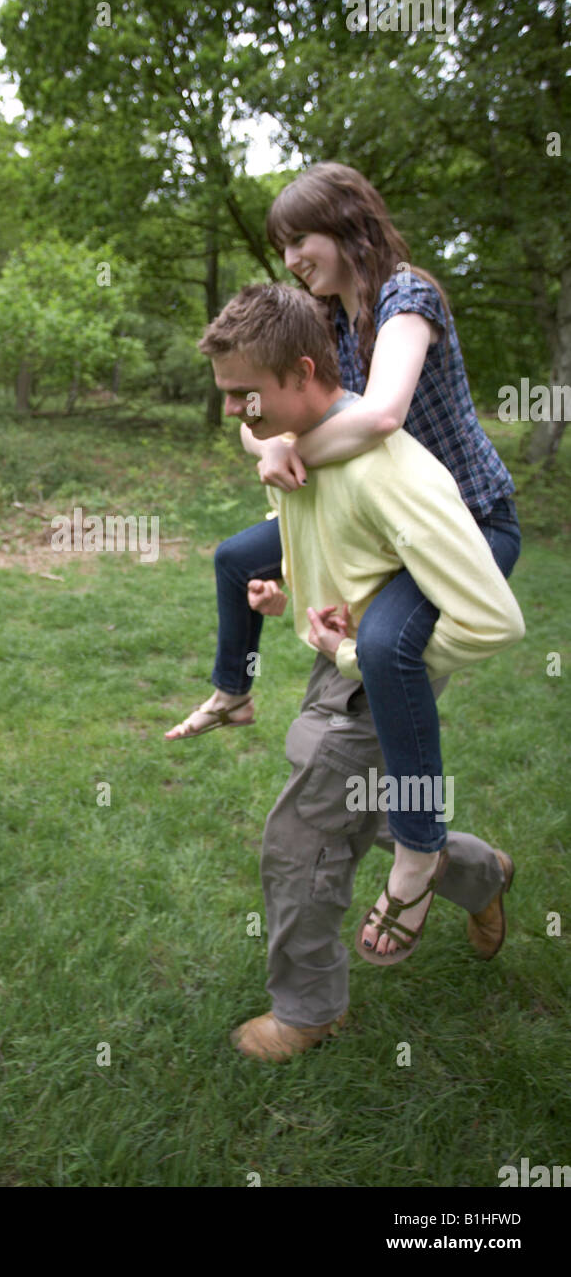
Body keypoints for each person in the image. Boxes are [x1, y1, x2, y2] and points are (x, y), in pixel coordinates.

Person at [164, 162, 521, 955]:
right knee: (234, 558)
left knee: (388, 649)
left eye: (301, 237)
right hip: (372, 523)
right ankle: (233, 691)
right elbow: (266, 404)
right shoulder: (318, 318)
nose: (291, 257)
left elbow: (382, 416)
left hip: (462, 521)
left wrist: (282, 448)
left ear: (350, 224)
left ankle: (420, 848)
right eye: (281, 245)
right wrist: (267, 446)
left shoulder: (404, 298)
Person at [197, 283, 524, 1058]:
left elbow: (493, 619)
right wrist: (286, 595)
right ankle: (479, 874)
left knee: (300, 839)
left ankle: (306, 1011)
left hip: (367, 679)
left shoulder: (388, 470)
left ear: (303, 370)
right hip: (341, 661)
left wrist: (355, 652)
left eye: (246, 394)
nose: (235, 413)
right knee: (362, 808)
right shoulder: (304, 444)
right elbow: (332, 539)